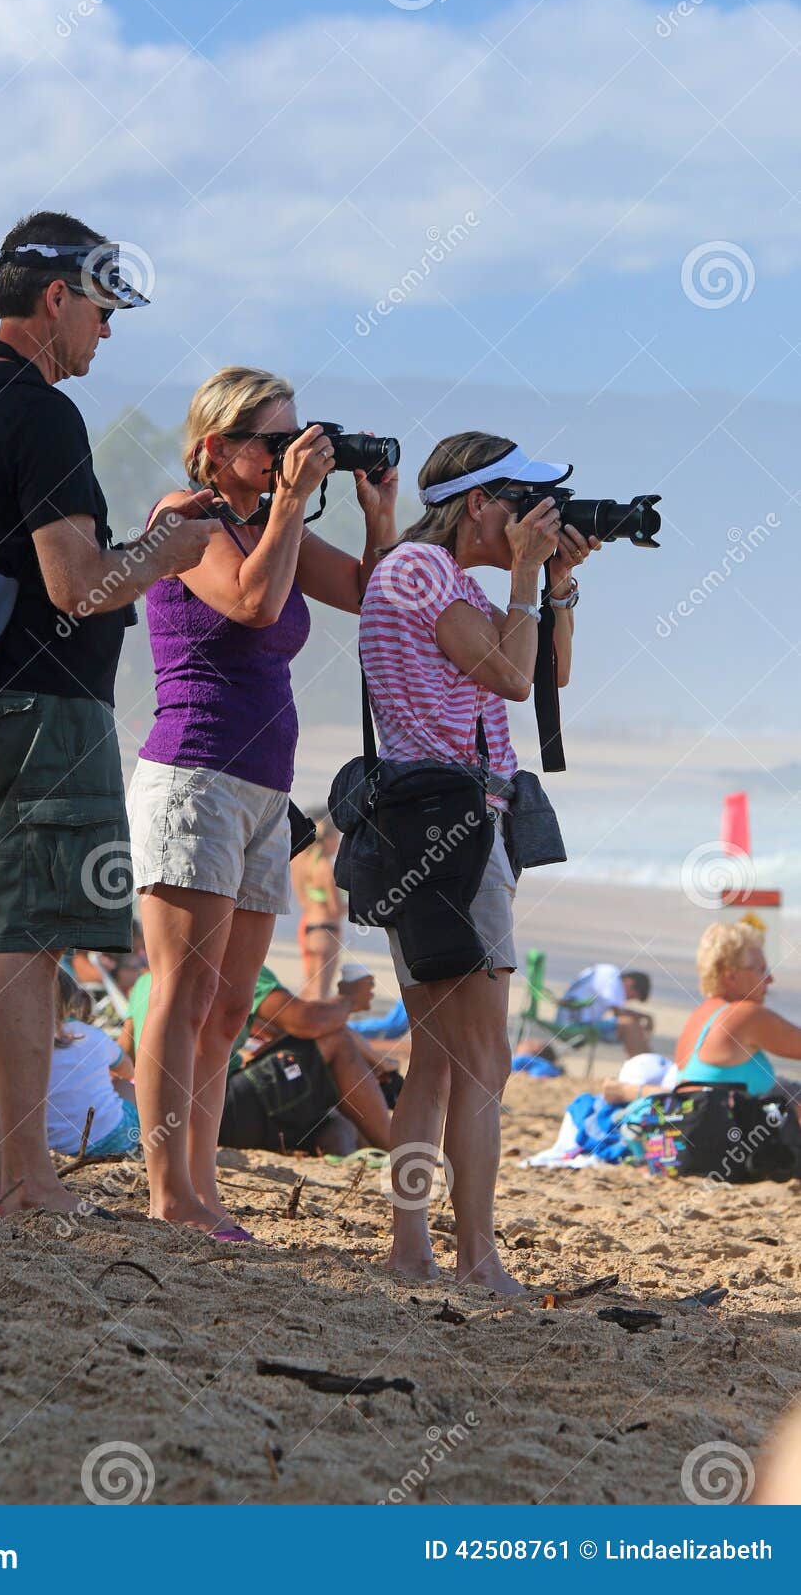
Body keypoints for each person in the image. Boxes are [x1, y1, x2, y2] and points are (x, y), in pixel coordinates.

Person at [0, 211, 215, 1216]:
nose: (106, 331)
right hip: (46, 707)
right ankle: (29, 1181)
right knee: (31, 936)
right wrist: (167, 555)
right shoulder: (44, 414)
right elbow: (76, 586)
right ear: (55, 298)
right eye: (100, 309)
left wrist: (139, 546)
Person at [127, 365, 399, 1238]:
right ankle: (169, 1190)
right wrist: (289, 501)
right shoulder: (187, 517)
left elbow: (372, 595)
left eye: (295, 439)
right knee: (182, 989)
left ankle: (200, 1188)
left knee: (228, 1007)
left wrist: (377, 510)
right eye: (272, 442)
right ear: (216, 449)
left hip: (262, 790)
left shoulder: (262, 519)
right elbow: (252, 601)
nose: (289, 455)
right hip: (193, 776)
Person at [359, 431, 601, 1288]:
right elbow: (506, 675)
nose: (537, 518)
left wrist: (557, 581)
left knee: (436, 1057)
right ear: (478, 506)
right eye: (523, 504)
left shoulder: (441, 578)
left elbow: (547, 677)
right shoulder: (420, 570)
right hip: (450, 830)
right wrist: (529, 577)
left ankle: (410, 1249)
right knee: (482, 1059)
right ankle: (476, 1259)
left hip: (437, 830)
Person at [126, 962, 393, 1157]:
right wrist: (349, 999)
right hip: (217, 1113)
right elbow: (310, 1022)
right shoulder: (230, 960)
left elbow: (124, 1054)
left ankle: (351, 1140)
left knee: (332, 1124)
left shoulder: (146, 981)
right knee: (336, 1042)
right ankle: (395, 1144)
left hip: (168, 1119)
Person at [672, 923, 801, 1098]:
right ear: (731, 976)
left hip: (702, 1118)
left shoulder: (702, 1014)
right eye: (761, 970)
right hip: (731, 1123)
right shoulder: (746, 1015)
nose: (770, 979)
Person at [46, 1019, 140, 1159]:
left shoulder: (27, 1045)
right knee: (125, 1085)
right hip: (115, 1140)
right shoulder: (91, 1033)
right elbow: (128, 1070)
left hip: (55, 1150)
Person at [292, 816, 344, 998]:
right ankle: (315, 1026)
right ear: (327, 840)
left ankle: (298, 1026)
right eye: (336, 840)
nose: (337, 846)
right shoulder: (325, 868)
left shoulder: (304, 863)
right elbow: (335, 909)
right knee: (321, 992)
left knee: (309, 988)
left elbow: (303, 898)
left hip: (308, 927)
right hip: (326, 930)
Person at [557, 962, 653, 1057]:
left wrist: (644, 1017)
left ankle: (645, 1061)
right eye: (632, 997)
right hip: (573, 1025)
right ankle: (644, 1064)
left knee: (629, 1023)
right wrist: (645, 1018)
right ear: (629, 982)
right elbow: (619, 1014)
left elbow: (620, 1012)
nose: (627, 1000)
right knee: (628, 1024)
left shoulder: (608, 972)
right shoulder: (612, 978)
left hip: (573, 1020)